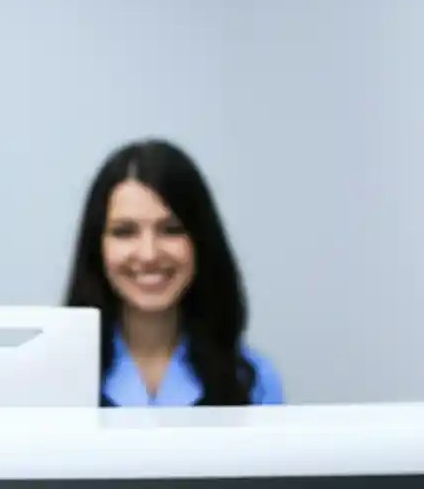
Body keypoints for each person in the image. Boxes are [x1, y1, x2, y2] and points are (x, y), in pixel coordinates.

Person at [63, 138, 284, 407]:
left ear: (201, 241)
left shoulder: (252, 380)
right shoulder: (59, 376)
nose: (149, 254)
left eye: (171, 229)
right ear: (97, 246)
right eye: (125, 231)